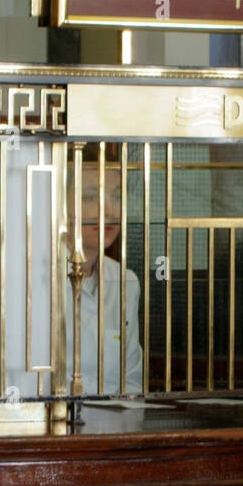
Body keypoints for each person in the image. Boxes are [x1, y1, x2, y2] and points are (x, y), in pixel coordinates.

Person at [78, 150, 143, 396]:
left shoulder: (126, 282)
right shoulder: (32, 278)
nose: (108, 210)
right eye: (90, 197)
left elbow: (133, 382)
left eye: (116, 197)